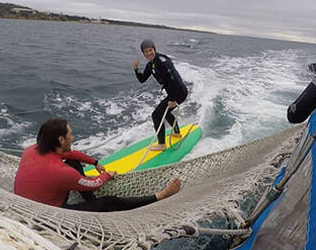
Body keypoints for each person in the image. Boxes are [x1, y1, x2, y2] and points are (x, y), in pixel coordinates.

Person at [13, 118, 181, 211]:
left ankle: (90, 202)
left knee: (73, 161)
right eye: (70, 134)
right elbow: (95, 184)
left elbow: (71, 154)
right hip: (50, 214)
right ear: (61, 140)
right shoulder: (61, 171)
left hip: (26, 203)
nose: (73, 137)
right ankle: (160, 196)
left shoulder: (32, 149)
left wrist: (95, 162)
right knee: (108, 201)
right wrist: (107, 174)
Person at [133, 39, 189, 151]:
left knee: (156, 115)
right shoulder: (151, 64)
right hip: (174, 92)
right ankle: (177, 133)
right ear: (143, 53)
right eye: (146, 52)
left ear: (154, 49)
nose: (149, 53)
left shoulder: (163, 61)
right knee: (165, 112)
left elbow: (175, 80)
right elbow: (142, 79)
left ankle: (162, 144)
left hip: (179, 92)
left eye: (151, 50)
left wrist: (173, 100)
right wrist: (136, 69)